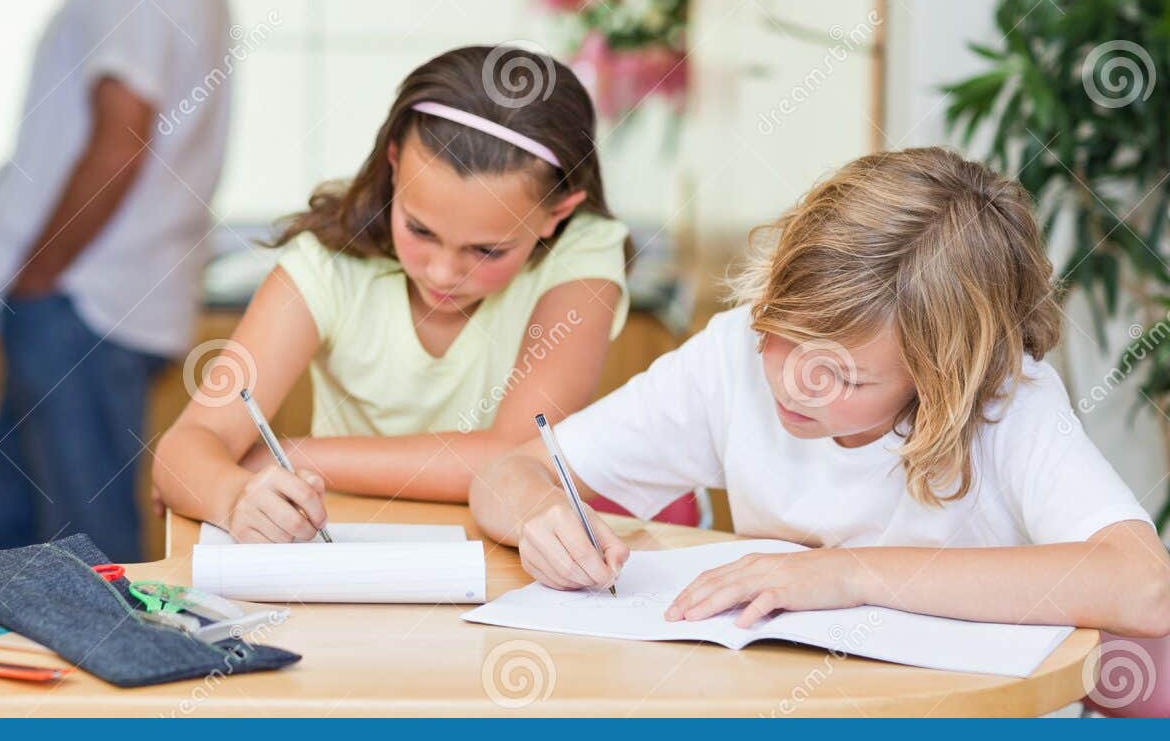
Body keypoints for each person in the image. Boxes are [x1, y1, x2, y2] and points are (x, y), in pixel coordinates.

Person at [470, 147, 1170, 638]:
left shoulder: (1005, 403)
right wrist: (540, 517)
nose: (791, 378)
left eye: (845, 374)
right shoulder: (733, 352)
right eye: (782, 330)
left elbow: (1145, 586)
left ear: (942, 377)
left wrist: (851, 574)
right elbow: (508, 472)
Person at [152, 44, 632, 543]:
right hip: (340, 553)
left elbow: (516, 454)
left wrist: (288, 456)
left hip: (504, 564)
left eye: (487, 251)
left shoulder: (584, 252)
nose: (444, 273)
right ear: (395, 164)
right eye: (420, 230)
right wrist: (234, 497)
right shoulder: (328, 266)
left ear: (558, 213)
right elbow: (183, 450)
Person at [0, 0, 232, 561]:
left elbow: (121, 136)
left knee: (84, 557)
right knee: (4, 542)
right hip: (96, 298)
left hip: (83, 300)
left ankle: (110, 683)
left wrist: (40, 273)